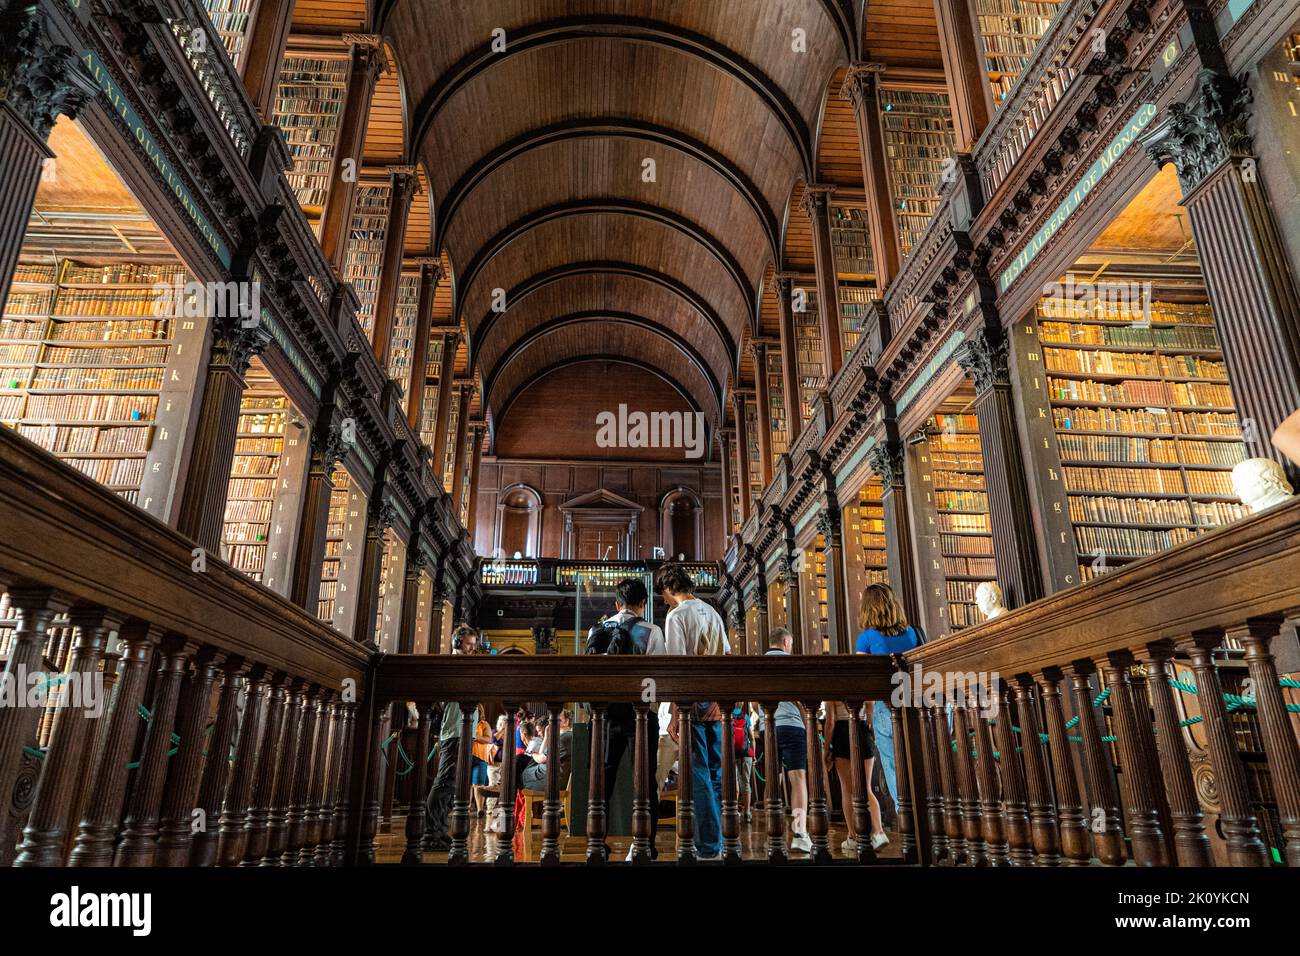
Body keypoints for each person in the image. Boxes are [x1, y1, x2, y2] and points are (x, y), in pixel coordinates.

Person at [658, 562, 730, 860]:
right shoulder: (712, 611)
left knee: (698, 772)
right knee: (715, 771)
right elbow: (726, 654)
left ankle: (709, 846)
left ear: (667, 588)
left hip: (691, 701)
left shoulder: (677, 615)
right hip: (715, 698)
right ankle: (723, 841)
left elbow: (677, 666)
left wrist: (675, 712)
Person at [593, 577, 666, 861]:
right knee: (645, 780)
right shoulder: (652, 631)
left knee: (602, 779)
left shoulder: (598, 629)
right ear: (643, 604)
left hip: (605, 716)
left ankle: (596, 843)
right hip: (641, 714)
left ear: (616, 603)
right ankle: (644, 844)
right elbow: (658, 677)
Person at [854, 582, 924, 812]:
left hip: (887, 708)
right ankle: (928, 820)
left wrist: (870, 717)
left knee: (895, 769)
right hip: (918, 706)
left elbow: (864, 683)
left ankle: (907, 823)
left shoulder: (866, 638)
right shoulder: (914, 633)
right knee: (921, 765)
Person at [424, 624, 479, 850]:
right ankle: (429, 834)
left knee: (452, 783)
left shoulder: (466, 664)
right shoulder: (454, 664)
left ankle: (438, 830)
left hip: (463, 731)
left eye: (473, 646)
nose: (471, 650)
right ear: (457, 643)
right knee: (445, 781)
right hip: (455, 730)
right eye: (468, 644)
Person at [761, 626, 812, 853]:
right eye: (789, 644)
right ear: (784, 643)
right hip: (792, 725)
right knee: (798, 778)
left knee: (773, 778)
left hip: (768, 726)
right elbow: (801, 697)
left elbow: (754, 702)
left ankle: (772, 833)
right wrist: (808, 726)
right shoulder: (791, 663)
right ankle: (800, 833)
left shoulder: (757, 664)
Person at [519, 709, 573, 792]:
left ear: (566, 722)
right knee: (519, 759)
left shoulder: (563, 738)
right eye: (552, 720)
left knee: (518, 769)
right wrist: (547, 736)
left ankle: (509, 797)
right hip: (550, 774)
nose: (552, 723)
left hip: (552, 780)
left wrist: (533, 754)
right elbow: (541, 755)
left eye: (558, 720)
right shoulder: (564, 736)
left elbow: (541, 758)